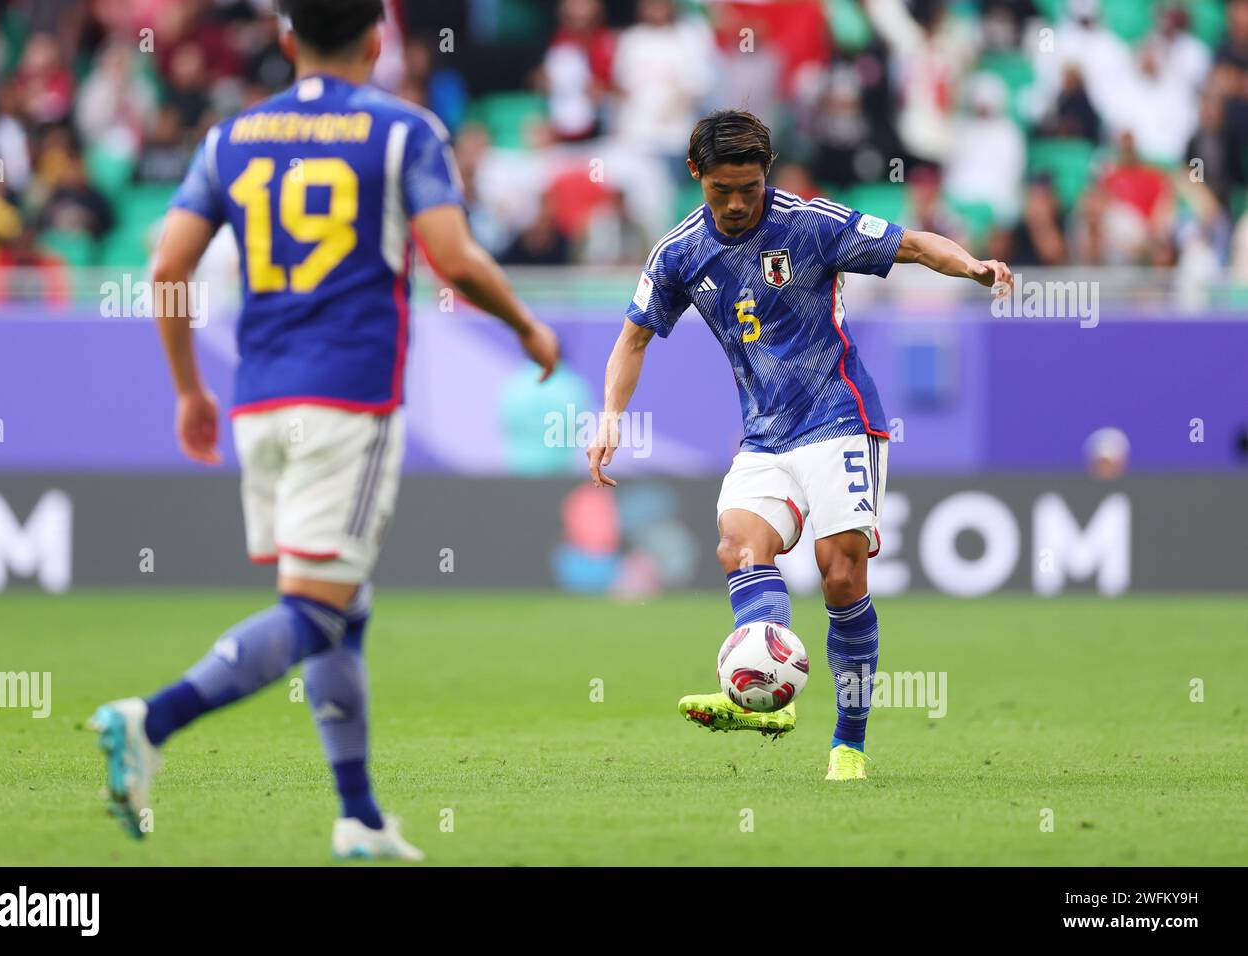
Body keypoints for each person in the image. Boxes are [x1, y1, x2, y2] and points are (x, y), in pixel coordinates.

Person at [87, 0, 558, 861]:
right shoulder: (403, 131)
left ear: (285, 36)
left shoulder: (231, 138)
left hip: (259, 402)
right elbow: (454, 258)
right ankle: (151, 720)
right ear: (378, 39)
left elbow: (167, 266)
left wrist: (188, 389)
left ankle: (359, 818)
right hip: (348, 398)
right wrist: (525, 326)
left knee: (344, 605)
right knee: (313, 610)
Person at [586, 110, 1010, 781]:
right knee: (739, 545)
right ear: (695, 174)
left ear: (768, 175)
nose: (736, 204)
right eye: (721, 190)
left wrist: (973, 267)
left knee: (840, 575)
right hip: (763, 436)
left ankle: (849, 744)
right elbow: (632, 338)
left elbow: (913, 246)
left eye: (748, 189)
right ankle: (769, 697)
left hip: (839, 419)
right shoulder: (678, 253)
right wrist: (611, 415)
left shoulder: (810, 224)